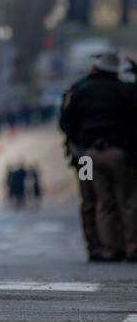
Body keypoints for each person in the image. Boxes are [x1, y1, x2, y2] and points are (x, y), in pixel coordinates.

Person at [59, 51, 137, 262]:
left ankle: (98, 248)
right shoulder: (124, 90)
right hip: (118, 153)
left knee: (90, 199)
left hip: (86, 156)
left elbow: (65, 123)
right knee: (127, 200)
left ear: (95, 68)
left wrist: (79, 146)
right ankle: (130, 247)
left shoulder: (79, 90)